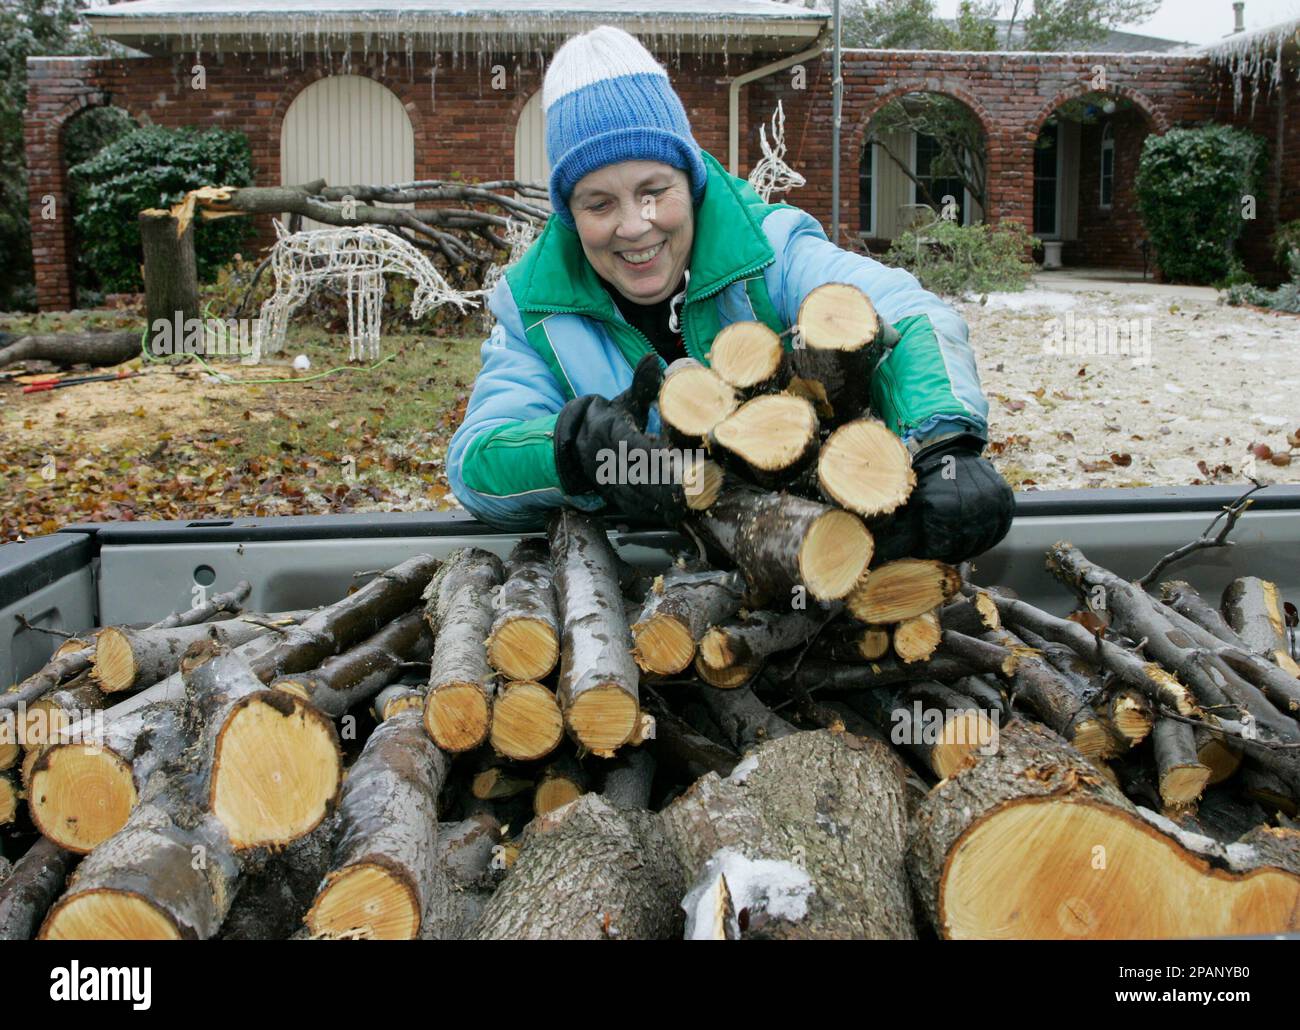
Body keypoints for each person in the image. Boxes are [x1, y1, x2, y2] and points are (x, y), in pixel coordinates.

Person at [447, 25, 1014, 565]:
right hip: (633, 593)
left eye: (653, 191)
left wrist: (944, 445)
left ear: (691, 185)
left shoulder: (769, 250)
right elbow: (476, 463)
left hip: (806, 557)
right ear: (569, 216)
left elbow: (911, 316)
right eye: (598, 204)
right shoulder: (535, 310)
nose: (634, 226)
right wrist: (574, 450)